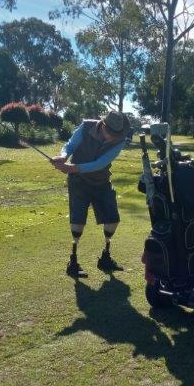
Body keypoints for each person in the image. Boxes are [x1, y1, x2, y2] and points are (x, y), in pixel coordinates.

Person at [51, 110, 130, 278]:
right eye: (111, 133)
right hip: (78, 182)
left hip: (101, 181)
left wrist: (73, 168)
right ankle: (73, 262)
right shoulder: (86, 126)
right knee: (78, 221)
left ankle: (105, 258)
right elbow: (70, 146)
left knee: (113, 219)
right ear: (103, 125)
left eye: (117, 135)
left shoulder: (120, 141)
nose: (114, 138)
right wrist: (63, 157)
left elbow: (100, 163)